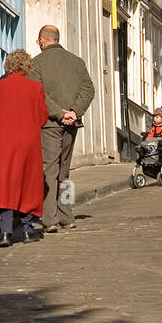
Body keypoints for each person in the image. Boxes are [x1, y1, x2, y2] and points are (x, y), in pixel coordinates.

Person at [29, 24, 95, 232]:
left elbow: (38, 94)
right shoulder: (76, 62)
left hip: (50, 123)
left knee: (49, 169)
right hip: (71, 123)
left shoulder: (36, 64)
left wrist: (59, 113)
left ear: (41, 40)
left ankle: (50, 219)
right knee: (64, 170)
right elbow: (88, 90)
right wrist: (74, 112)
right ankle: (67, 215)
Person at [0, 49, 48, 248]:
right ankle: (27, 230)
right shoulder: (36, 88)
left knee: (5, 183)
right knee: (28, 183)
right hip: (28, 143)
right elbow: (42, 117)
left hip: (4, 144)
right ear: (27, 66)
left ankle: (5, 232)